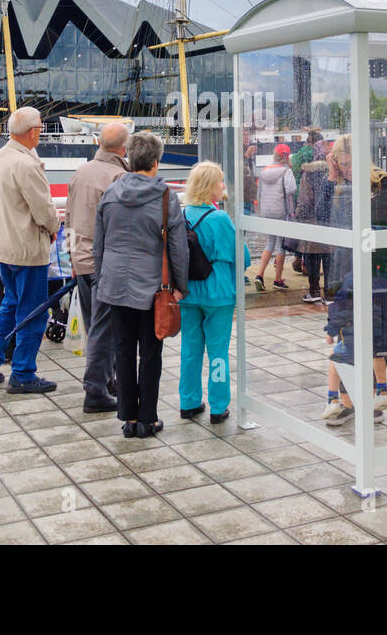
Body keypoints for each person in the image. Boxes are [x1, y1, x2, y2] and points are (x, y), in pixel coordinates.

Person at [93, 131, 189, 439]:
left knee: (122, 349)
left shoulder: (110, 193)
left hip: (115, 284)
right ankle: (148, 418)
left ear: (130, 159)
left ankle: (128, 419)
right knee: (150, 351)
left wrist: (101, 278)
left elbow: (100, 243)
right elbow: (177, 246)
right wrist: (180, 286)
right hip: (153, 288)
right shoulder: (165, 197)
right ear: (156, 162)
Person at [0, 107, 61, 394]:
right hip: (27, 249)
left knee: (10, 304)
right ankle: (22, 372)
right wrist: (53, 227)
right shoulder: (27, 165)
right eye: (40, 128)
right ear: (33, 131)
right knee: (33, 311)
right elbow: (43, 210)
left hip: (3, 247)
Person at [321, 136, 387, 424]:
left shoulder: (381, 184)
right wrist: (332, 179)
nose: (344, 169)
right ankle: (349, 400)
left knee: (375, 338)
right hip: (345, 270)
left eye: (345, 163)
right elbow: (320, 220)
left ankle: (368, 397)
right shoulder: (339, 184)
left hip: (376, 272)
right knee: (348, 336)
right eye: (339, 164)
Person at [178, 161, 249, 424]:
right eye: (220, 181)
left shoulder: (183, 215)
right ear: (209, 186)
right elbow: (243, 256)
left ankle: (189, 402)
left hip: (187, 292)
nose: (223, 185)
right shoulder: (219, 218)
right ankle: (219, 407)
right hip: (218, 294)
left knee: (190, 349)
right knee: (218, 351)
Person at [65, 121, 129, 413]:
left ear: (99, 143)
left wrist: (72, 258)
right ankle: (95, 389)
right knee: (107, 330)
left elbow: (68, 217)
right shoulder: (119, 175)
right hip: (106, 264)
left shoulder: (80, 172)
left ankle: (108, 380)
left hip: (81, 260)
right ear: (123, 148)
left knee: (96, 327)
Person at [253, 143, 296, 290]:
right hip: (281, 212)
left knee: (269, 244)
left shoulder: (264, 171)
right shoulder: (286, 171)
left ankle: (259, 275)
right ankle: (277, 279)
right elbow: (292, 189)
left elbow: (259, 193)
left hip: (266, 212)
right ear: (286, 156)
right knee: (281, 247)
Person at [294, 138, 332, 304]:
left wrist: (299, 214)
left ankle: (314, 291)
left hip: (311, 222)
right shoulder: (333, 173)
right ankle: (330, 293)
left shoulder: (308, 174)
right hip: (330, 223)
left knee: (312, 258)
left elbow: (304, 199)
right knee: (329, 258)